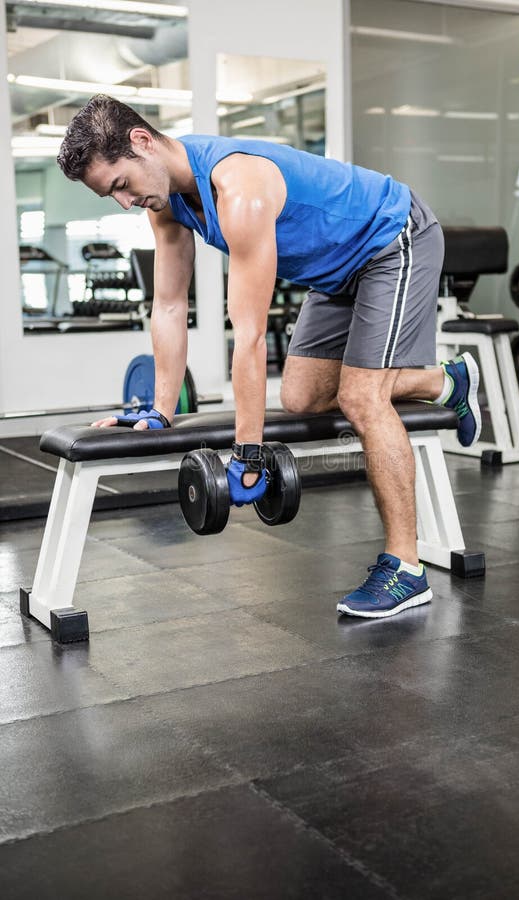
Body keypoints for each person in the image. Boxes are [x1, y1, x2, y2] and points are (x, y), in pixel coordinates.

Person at [57, 94, 481, 619]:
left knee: (361, 396)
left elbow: (251, 335)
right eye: (111, 196)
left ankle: (406, 568)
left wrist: (249, 452)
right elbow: (168, 305)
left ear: (142, 142)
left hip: (391, 238)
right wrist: (159, 409)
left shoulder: (240, 188)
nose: (125, 202)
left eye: (121, 184)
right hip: (335, 274)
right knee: (301, 398)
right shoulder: (167, 204)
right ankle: (445, 382)